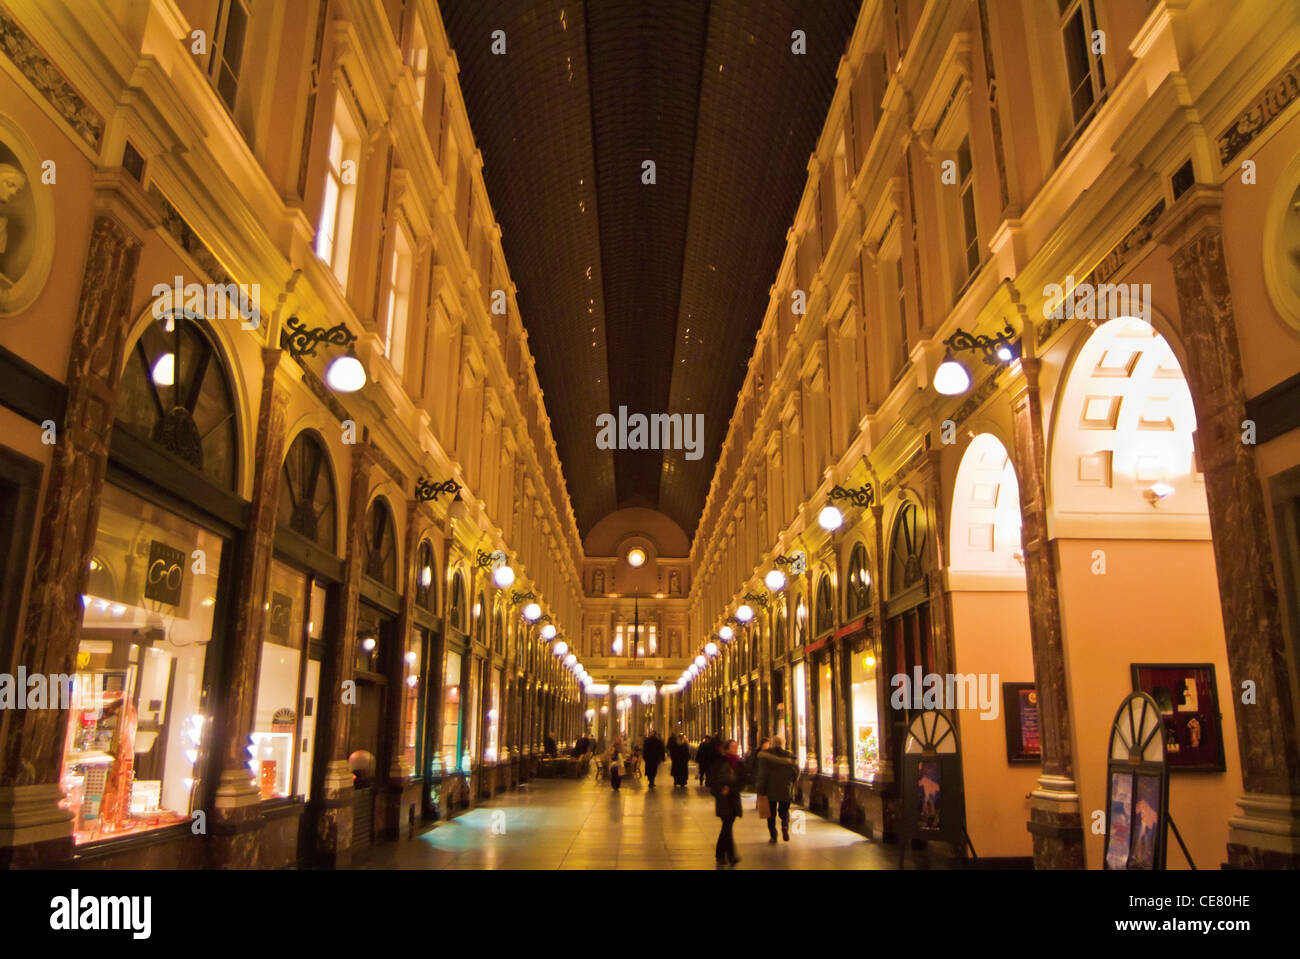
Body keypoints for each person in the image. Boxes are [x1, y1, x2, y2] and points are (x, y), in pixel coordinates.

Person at [706, 739, 744, 866]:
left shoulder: (739, 763)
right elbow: (711, 780)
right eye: (732, 747)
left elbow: (742, 780)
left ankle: (720, 853)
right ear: (727, 749)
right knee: (727, 826)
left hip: (734, 798)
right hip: (724, 799)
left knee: (727, 826)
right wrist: (720, 789)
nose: (735, 749)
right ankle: (731, 856)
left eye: (736, 746)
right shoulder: (720, 762)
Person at [755, 734, 798, 843]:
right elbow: (796, 772)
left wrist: (760, 790)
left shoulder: (765, 756)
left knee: (771, 814)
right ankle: (784, 825)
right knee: (784, 811)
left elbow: (762, 775)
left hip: (770, 790)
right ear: (784, 743)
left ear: (772, 743)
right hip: (785, 789)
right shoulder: (790, 756)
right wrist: (792, 782)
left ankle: (773, 835)